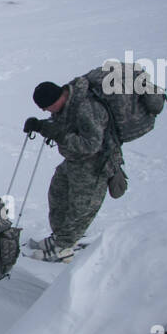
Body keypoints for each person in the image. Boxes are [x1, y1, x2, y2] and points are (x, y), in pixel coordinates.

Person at [23, 77, 123, 261]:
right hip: (75, 161)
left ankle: (64, 248)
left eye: (45, 107)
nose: (45, 111)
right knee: (58, 193)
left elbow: (91, 144)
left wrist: (60, 135)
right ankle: (59, 237)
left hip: (95, 163)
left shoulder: (86, 108)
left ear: (55, 99)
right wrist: (41, 126)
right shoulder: (66, 106)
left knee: (80, 207)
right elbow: (62, 127)